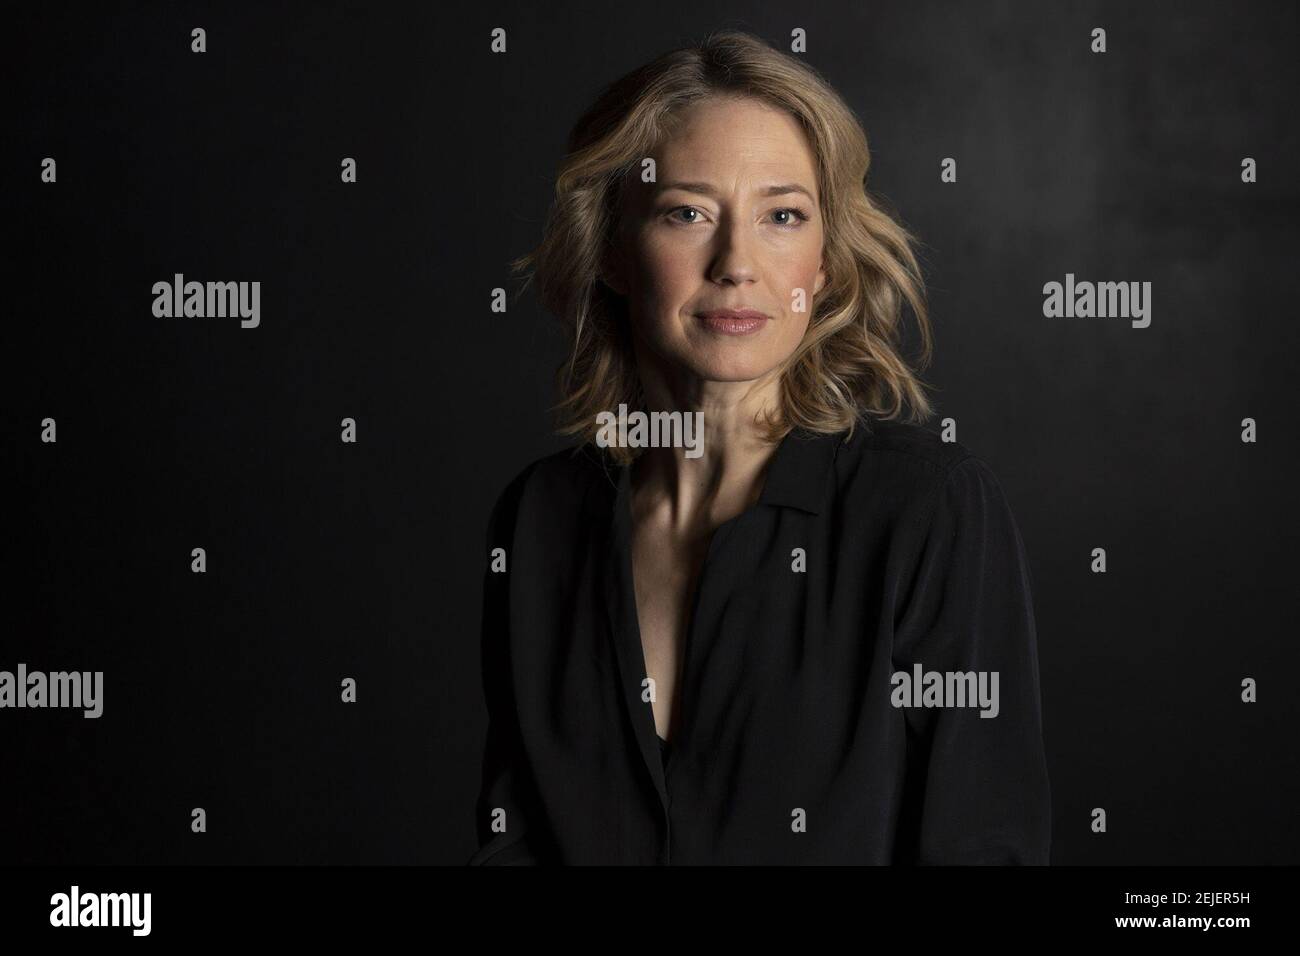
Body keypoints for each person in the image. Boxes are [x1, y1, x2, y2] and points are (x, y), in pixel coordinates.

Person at [468, 29, 1051, 865]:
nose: (736, 263)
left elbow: (985, 845)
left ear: (826, 260)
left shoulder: (930, 510)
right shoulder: (538, 521)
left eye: (783, 215)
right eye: (687, 213)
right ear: (613, 251)